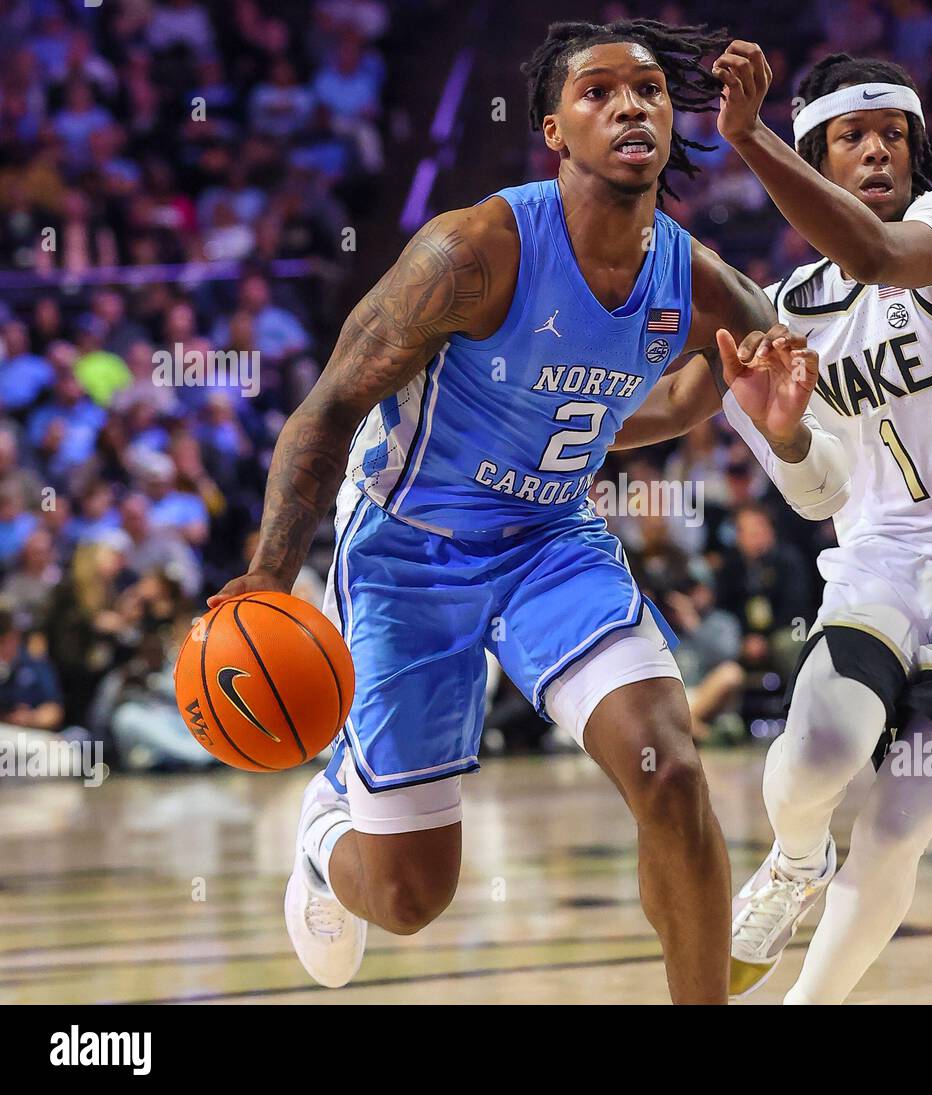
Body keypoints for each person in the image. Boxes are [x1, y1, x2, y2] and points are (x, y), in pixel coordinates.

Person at [209, 19, 849, 1005]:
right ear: (552, 130)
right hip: (410, 552)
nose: (630, 104)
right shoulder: (472, 251)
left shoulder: (697, 285)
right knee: (411, 896)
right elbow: (330, 404)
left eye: (648, 90)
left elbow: (641, 407)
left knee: (671, 773)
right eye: (599, 92)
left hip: (551, 543)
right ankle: (326, 836)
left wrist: (742, 400)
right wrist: (266, 573)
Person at [689, 43, 932, 1002]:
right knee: (818, 757)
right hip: (885, 558)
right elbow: (823, 494)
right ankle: (792, 861)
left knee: (901, 822)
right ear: (816, 156)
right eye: (850, 136)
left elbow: (873, 255)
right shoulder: (790, 314)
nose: (877, 153)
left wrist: (742, 138)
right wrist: (783, 437)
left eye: (892, 135)